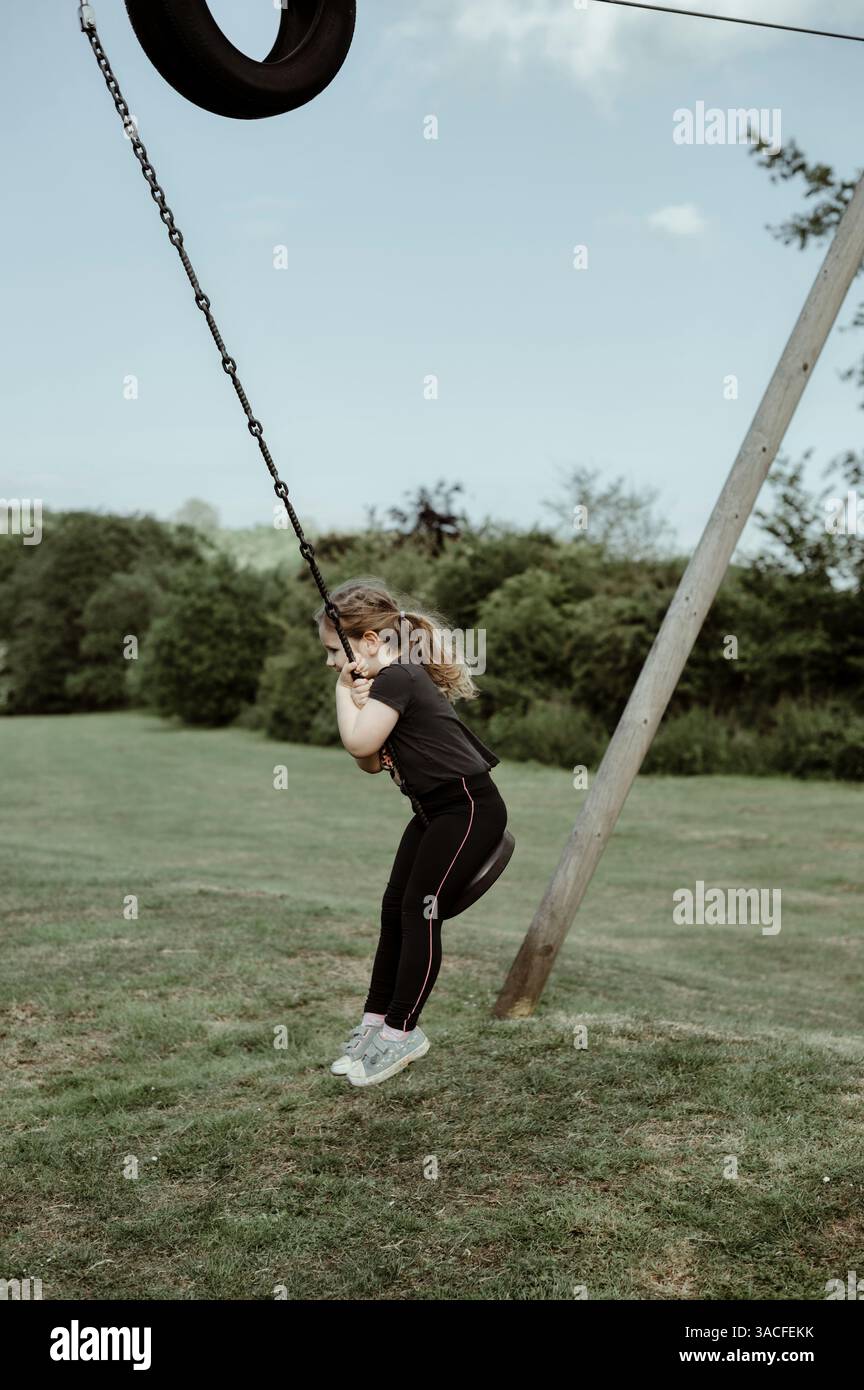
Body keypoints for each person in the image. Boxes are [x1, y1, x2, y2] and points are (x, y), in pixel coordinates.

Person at [315, 579, 508, 1088]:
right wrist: (357, 697)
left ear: (371, 643)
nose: (333, 663)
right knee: (393, 910)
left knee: (421, 912)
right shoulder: (389, 681)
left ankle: (403, 1033)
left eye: (337, 652)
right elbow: (369, 762)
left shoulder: (398, 677)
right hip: (432, 810)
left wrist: (344, 694)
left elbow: (358, 741)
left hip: (467, 808)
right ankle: (374, 1026)